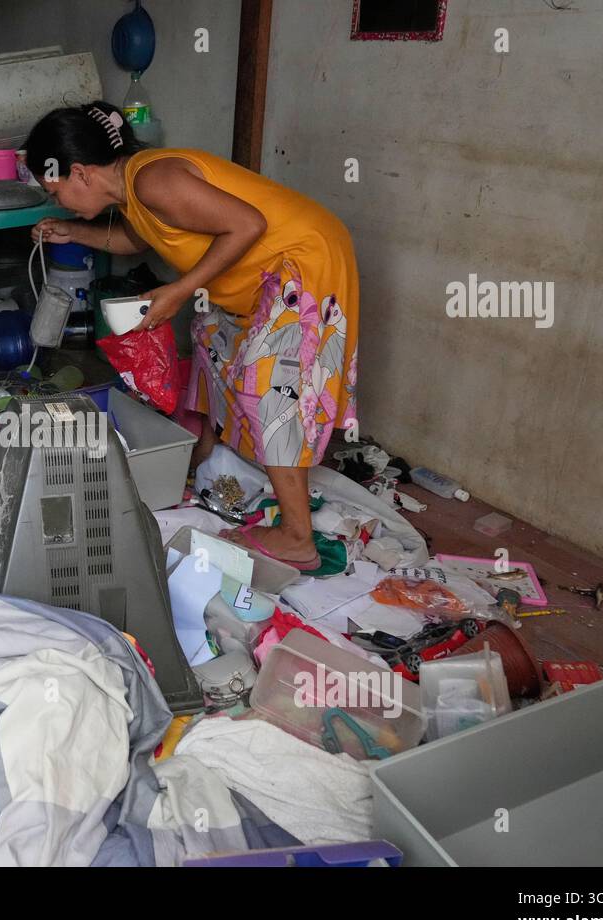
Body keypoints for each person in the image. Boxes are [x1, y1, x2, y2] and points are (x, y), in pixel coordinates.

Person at [22, 101, 358, 571]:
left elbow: (248, 224)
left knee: (270, 390)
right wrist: (73, 231)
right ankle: (203, 459)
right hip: (255, 276)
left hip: (301, 262)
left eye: (52, 187)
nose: (54, 199)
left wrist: (178, 291)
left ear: (78, 172)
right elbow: (137, 241)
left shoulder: (153, 180)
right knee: (213, 345)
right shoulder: (132, 194)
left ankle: (297, 536)